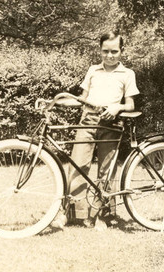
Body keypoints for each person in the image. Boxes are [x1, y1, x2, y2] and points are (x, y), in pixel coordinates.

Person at [52, 31, 140, 231]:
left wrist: (117, 107)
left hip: (112, 124)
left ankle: (101, 216)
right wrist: (57, 102)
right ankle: (70, 213)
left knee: (106, 171)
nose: (110, 55)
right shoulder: (93, 70)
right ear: (100, 50)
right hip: (88, 121)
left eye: (114, 51)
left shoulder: (127, 74)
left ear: (121, 51)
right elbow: (81, 99)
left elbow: (131, 105)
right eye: (105, 51)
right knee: (78, 165)